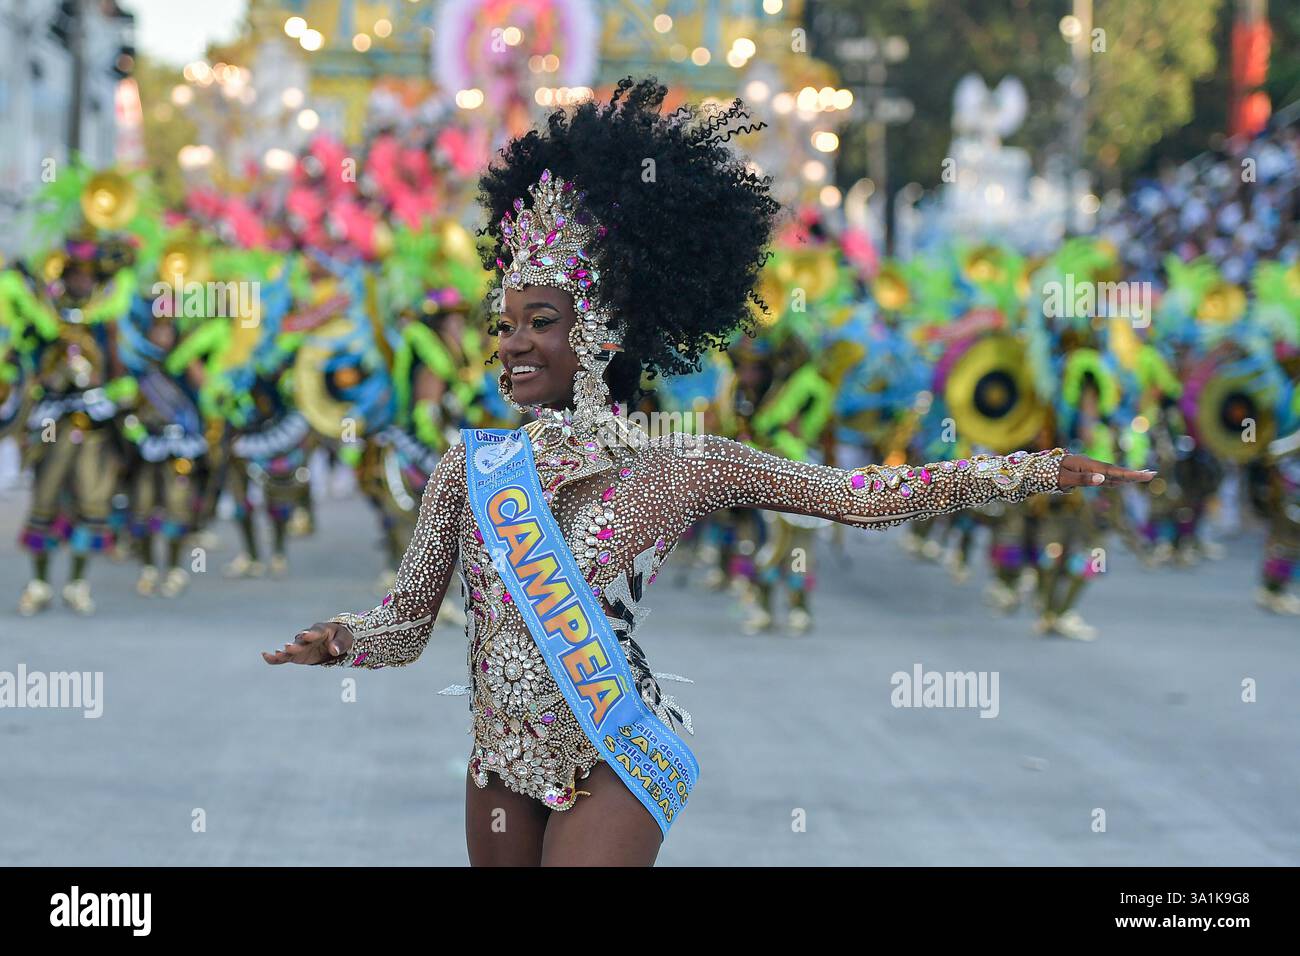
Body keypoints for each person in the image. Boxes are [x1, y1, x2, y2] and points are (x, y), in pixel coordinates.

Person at [262, 77, 1155, 866]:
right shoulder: (473, 463)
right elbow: (408, 625)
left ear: (599, 330)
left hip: (616, 751)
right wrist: (341, 639)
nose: (513, 343)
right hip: (497, 763)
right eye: (505, 324)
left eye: (539, 321)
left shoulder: (681, 464)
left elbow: (858, 498)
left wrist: (1034, 469)